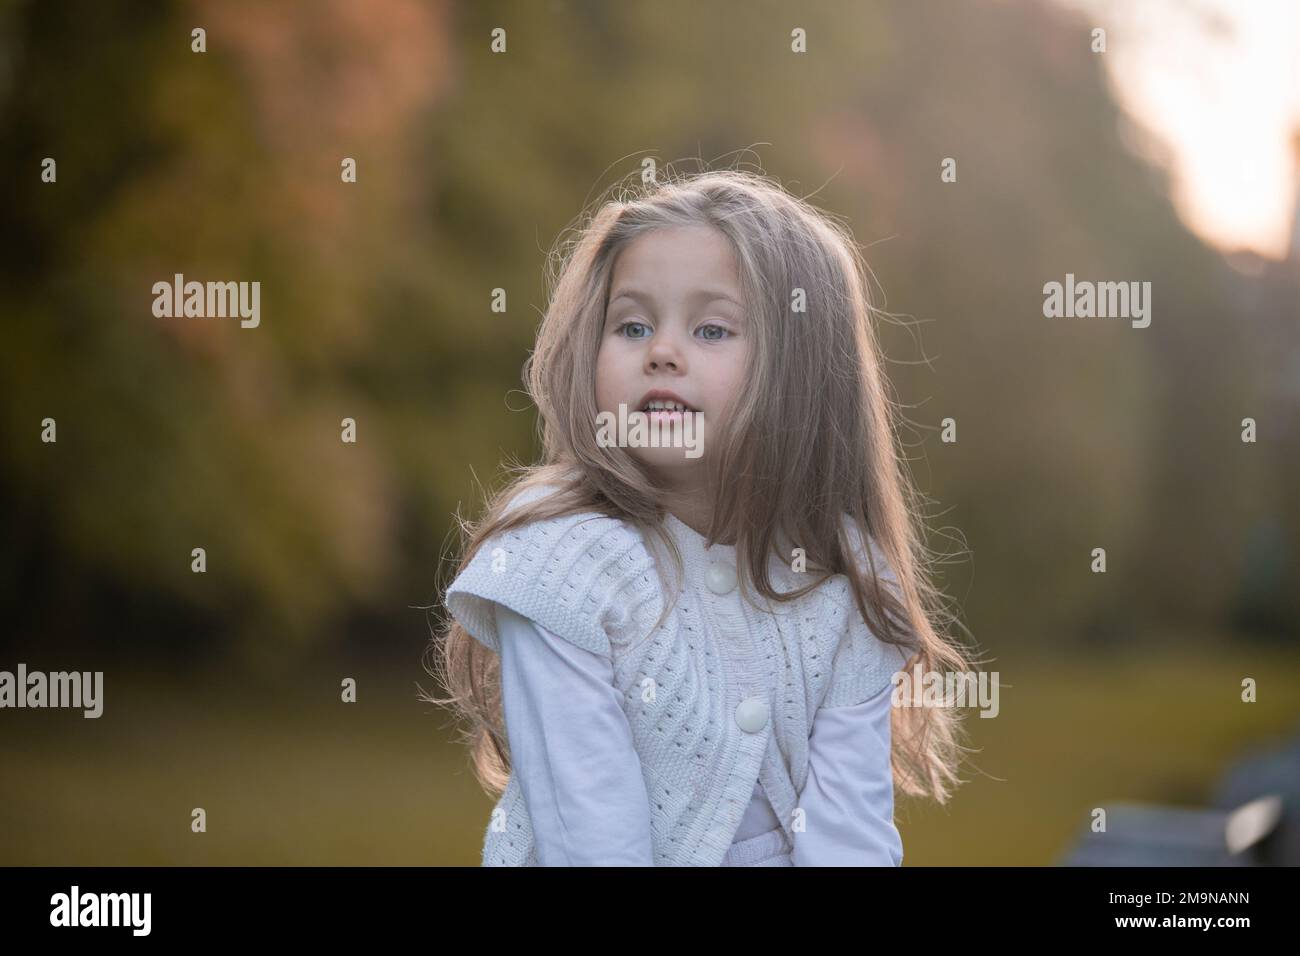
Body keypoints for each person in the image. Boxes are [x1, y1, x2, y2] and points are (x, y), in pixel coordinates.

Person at [438, 167, 973, 866]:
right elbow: (591, 839)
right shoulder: (565, 568)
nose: (662, 351)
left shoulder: (844, 580)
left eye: (712, 329)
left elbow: (851, 840)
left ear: (801, 373)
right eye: (632, 325)